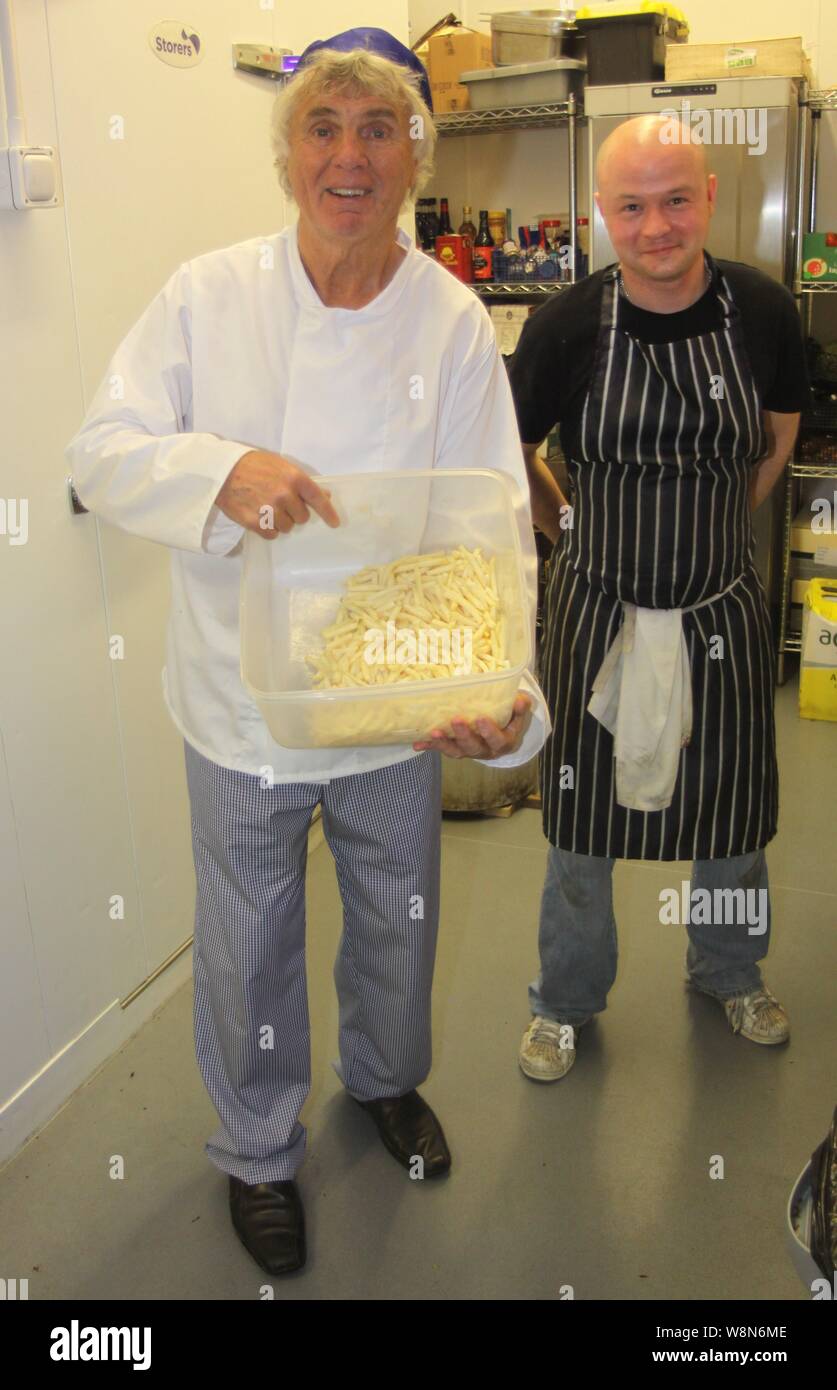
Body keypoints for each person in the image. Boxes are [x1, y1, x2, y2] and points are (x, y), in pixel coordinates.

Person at [65, 29, 549, 1274]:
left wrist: (503, 688)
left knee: (401, 910)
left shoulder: (448, 318)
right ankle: (259, 1148)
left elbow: (490, 517)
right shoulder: (207, 295)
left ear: (414, 155)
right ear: (286, 157)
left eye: (378, 130)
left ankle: (387, 1080)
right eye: (324, 127)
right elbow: (101, 450)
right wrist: (222, 469)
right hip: (242, 697)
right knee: (252, 932)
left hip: (396, 696)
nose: (350, 155)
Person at [508, 114, 810, 1083]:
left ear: (710, 196)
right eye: (631, 206)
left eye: (676, 199)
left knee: (732, 814)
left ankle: (728, 968)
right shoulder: (564, 325)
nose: (655, 226)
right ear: (603, 211)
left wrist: (705, 539)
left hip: (721, 610)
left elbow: (775, 438)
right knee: (579, 822)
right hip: (595, 612)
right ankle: (564, 1000)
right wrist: (574, 535)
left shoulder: (761, 312)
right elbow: (509, 455)